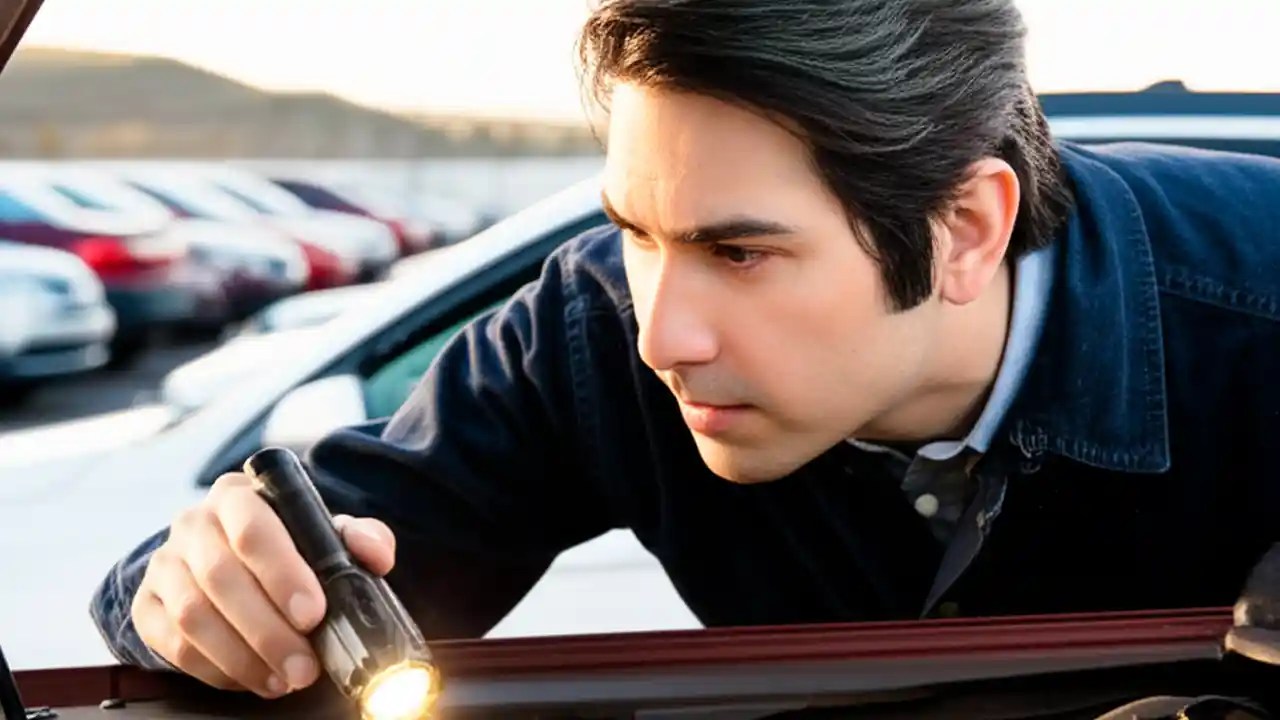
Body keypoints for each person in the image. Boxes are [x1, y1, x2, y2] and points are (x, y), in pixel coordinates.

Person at [90, 0, 1280, 700]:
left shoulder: (1255, 305)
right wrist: (201, 589)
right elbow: (248, 585)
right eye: (638, 235)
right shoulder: (593, 332)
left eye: (740, 253)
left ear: (964, 229)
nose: (660, 335)